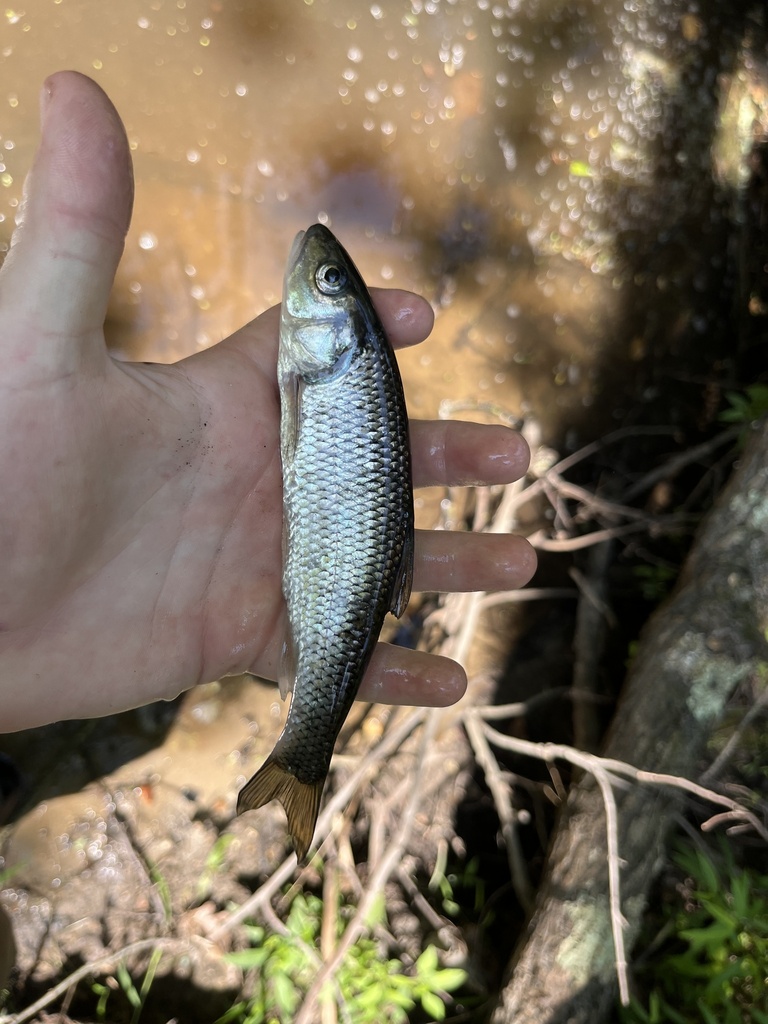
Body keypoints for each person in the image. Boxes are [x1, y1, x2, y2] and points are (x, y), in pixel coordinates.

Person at [0, 72, 536, 734]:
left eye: (328, 282)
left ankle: (304, 746)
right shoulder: (323, 365)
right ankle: (307, 741)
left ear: (339, 334)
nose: (312, 264)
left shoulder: (332, 364)